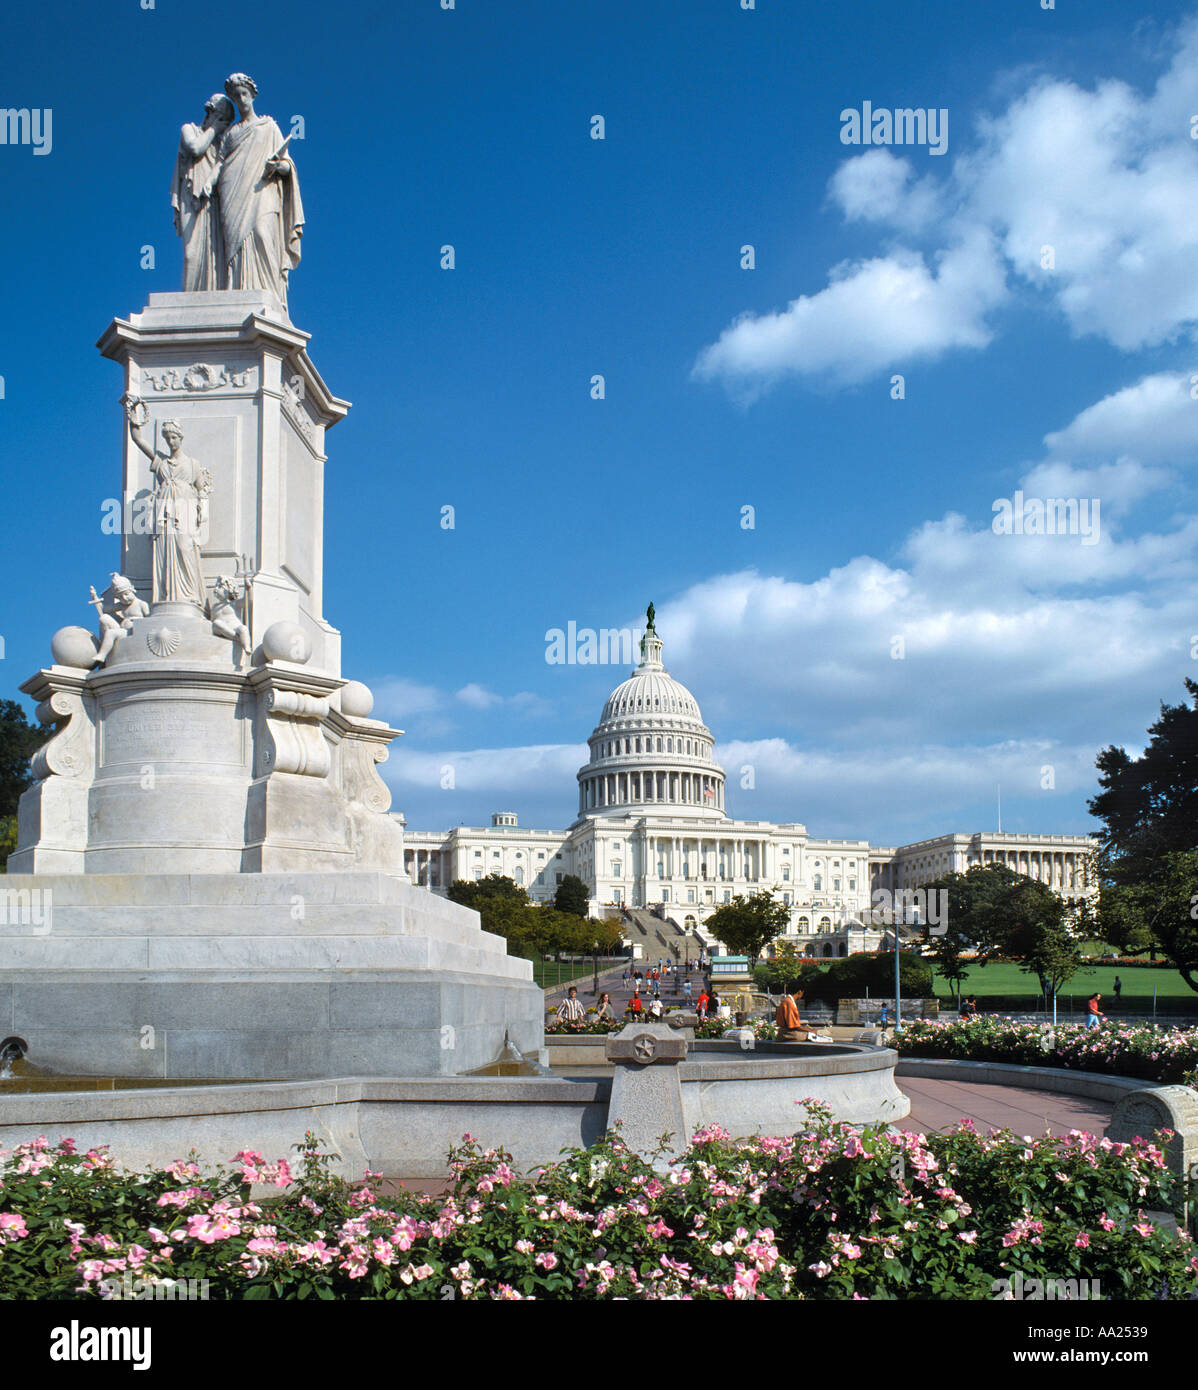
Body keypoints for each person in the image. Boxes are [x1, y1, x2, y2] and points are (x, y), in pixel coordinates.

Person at [208, 73, 304, 306]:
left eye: (244, 94)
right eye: (236, 96)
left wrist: (277, 167)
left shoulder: (268, 126)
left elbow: (286, 164)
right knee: (235, 246)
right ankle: (235, 293)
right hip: (233, 191)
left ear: (252, 95)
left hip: (263, 189)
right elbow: (220, 164)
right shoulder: (230, 134)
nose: (240, 99)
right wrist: (207, 183)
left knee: (262, 233)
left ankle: (271, 297)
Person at [173, 93, 235, 290]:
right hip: (191, 196)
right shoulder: (189, 130)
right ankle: (187, 305)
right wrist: (215, 128)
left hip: (214, 200)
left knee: (214, 253)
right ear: (213, 114)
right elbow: (195, 148)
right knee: (192, 253)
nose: (225, 127)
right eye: (223, 120)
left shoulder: (220, 145)